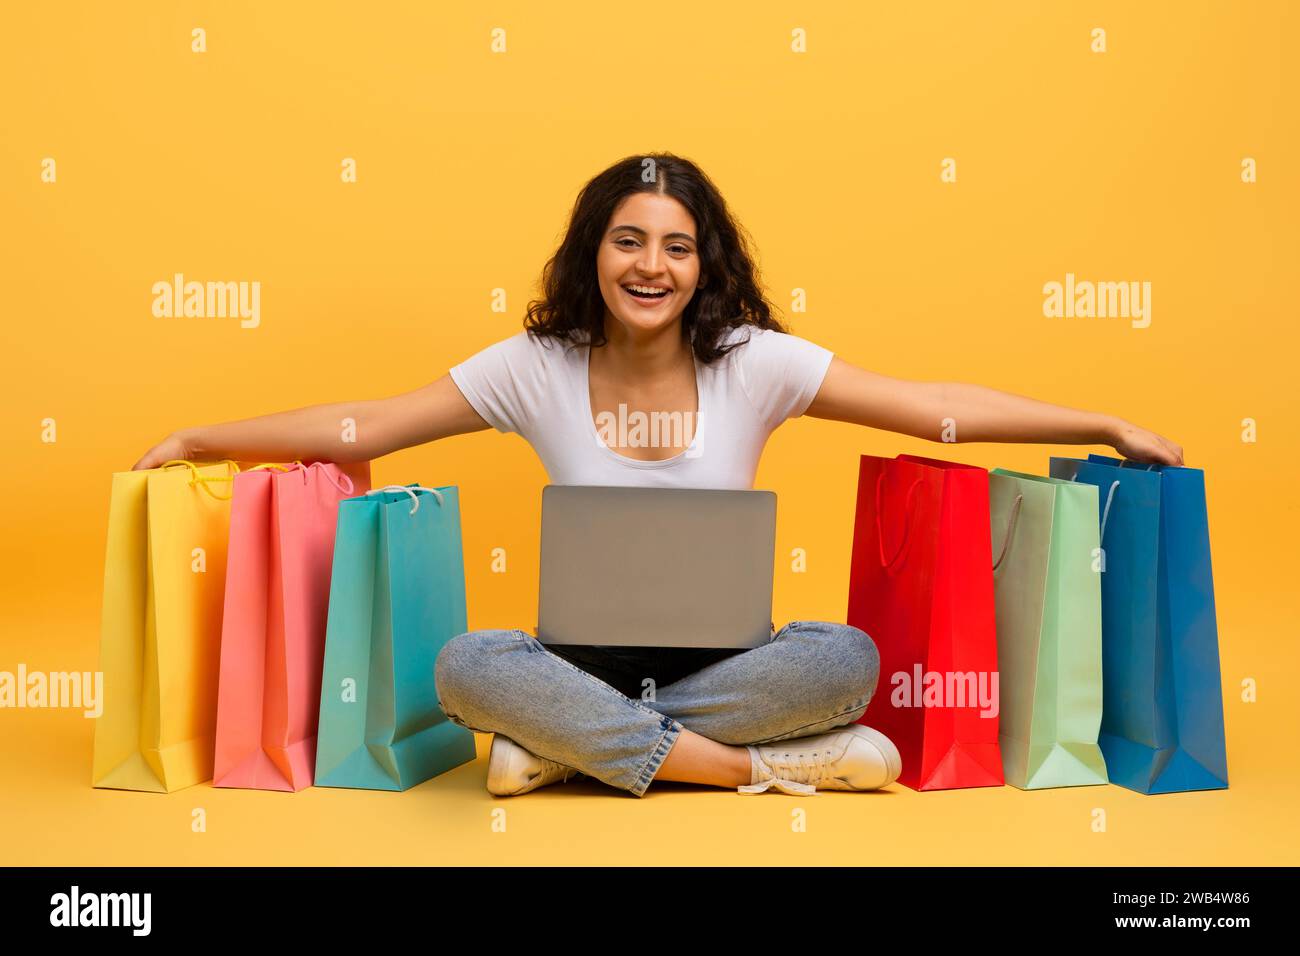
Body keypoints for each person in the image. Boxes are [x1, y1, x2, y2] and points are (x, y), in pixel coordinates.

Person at [134, 152, 1184, 799]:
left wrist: (1100, 416)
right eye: (627, 240)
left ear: (703, 262)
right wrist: (202, 437)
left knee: (846, 657)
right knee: (467, 663)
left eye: (675, 247)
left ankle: (563, 751)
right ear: (591, 253)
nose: (650, 265)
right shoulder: (533, 367)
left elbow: (937, 408)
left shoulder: (757, 361)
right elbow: (370, 423)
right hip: (576, 662)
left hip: (725, 663)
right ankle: (752, 768)